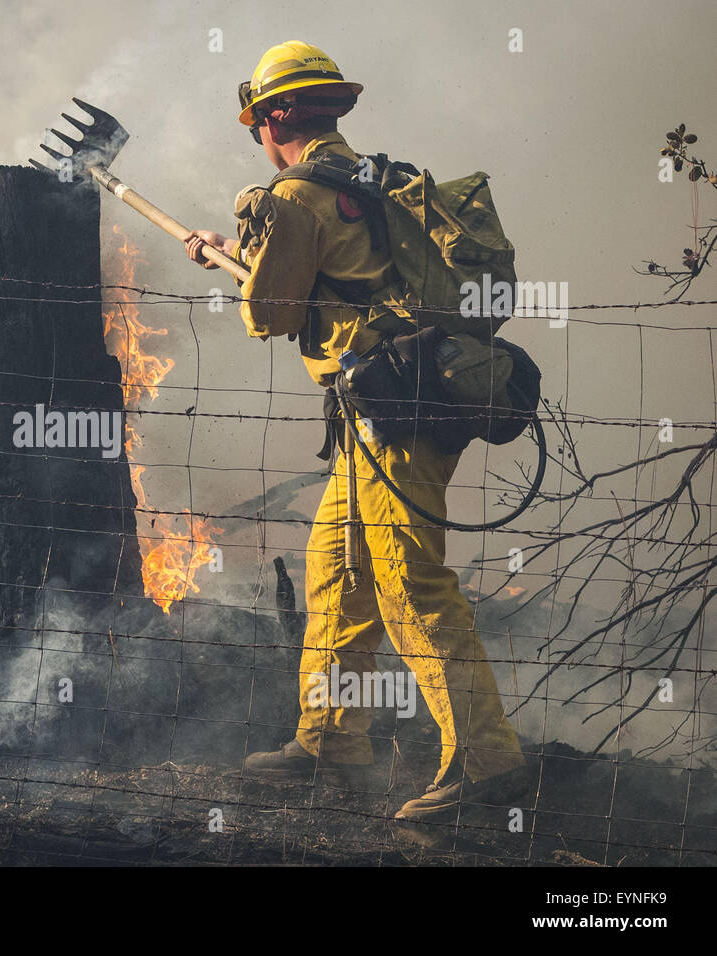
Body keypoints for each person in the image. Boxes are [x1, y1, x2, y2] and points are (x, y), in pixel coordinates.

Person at [186, 41, 530, 823]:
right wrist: (238, 251)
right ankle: (331, 742)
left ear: (274, 118)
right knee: (339, 569)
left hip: (393, 415)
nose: (260, 138)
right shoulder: (376, 178)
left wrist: (237, 260)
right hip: (411, 398)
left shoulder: (290, 195)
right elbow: (347, 271)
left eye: (258, 124)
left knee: (410, 582)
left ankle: (486, 762)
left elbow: (271, 315)